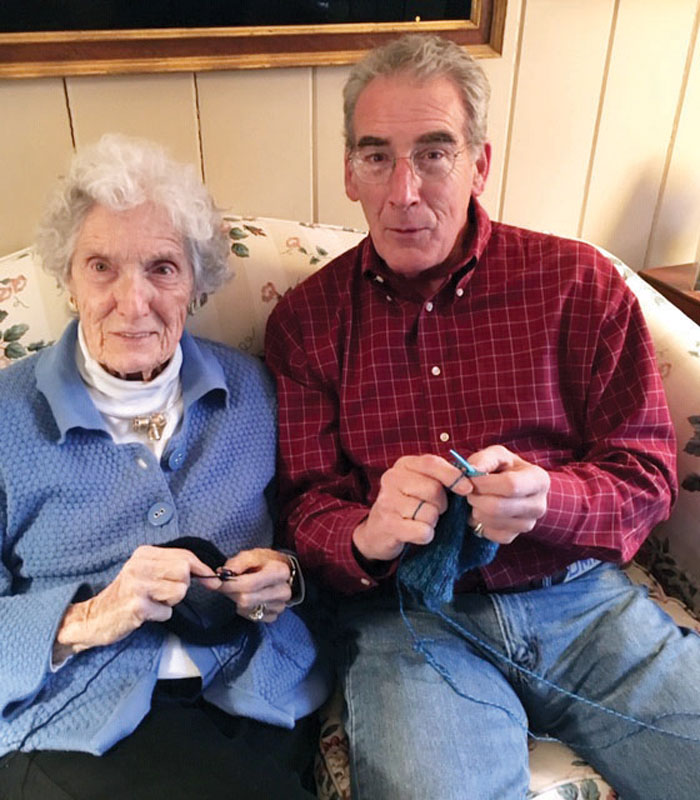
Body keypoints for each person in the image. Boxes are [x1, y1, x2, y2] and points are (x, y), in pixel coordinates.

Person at [265, 33, 700, 800]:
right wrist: (367, 533)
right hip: (409, 624)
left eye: (434, 153)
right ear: (349, 173)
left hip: (587, 606)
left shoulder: (578, 284)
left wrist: (550, 499)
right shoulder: (308, 320)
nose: (403, 191)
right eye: (377, 156)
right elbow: (304, 508)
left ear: (480, 164)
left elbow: (650, 473)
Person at [0, 134, 329, 800]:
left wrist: (288, 577)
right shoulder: (7, 417)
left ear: (198, 284)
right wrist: (92, 617)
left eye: (161, 268)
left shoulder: (257, 392)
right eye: (101, 267)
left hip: (252, 696)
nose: (133, 299)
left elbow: (319, 531)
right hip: (73, 720)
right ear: (67, 278)